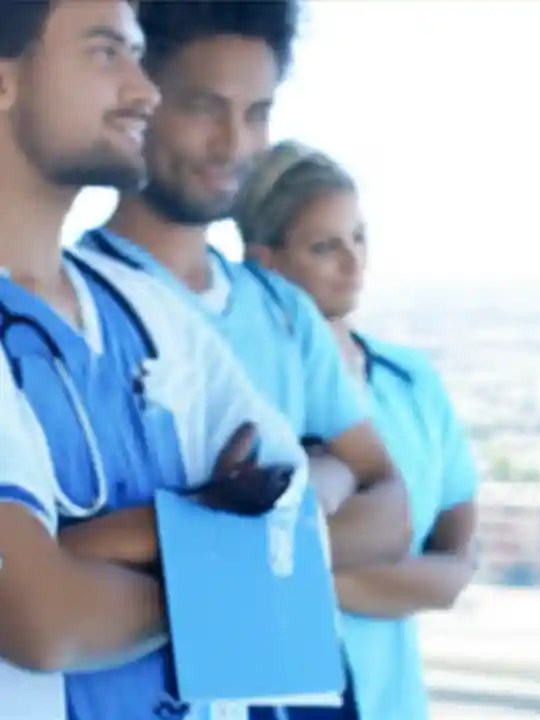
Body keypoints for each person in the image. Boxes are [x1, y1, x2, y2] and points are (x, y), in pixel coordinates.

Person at [0, 1, 314, 718]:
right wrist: (207, 542)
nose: (145, 91)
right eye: (107, 54)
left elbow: (291, 569)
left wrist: (91, 547)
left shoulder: (154, 313)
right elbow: (42, 626)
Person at [74, 1, 412, 573]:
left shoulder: (282, 311)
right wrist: (315, 496)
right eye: (204, 109)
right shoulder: (69, 307)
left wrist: (243, 537)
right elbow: (56, 563)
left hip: (292, 664)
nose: (233, 144)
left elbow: (393, 511)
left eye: (257, 113)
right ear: (138, 100)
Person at [233, 140, 480, 720]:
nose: (353, 261)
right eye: (325, 247)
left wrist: (297, 575)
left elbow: (454, 571)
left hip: (389, 703)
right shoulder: (240, 395)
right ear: (264, 261)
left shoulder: (411, 383)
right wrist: (391, 576)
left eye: (359, 238)